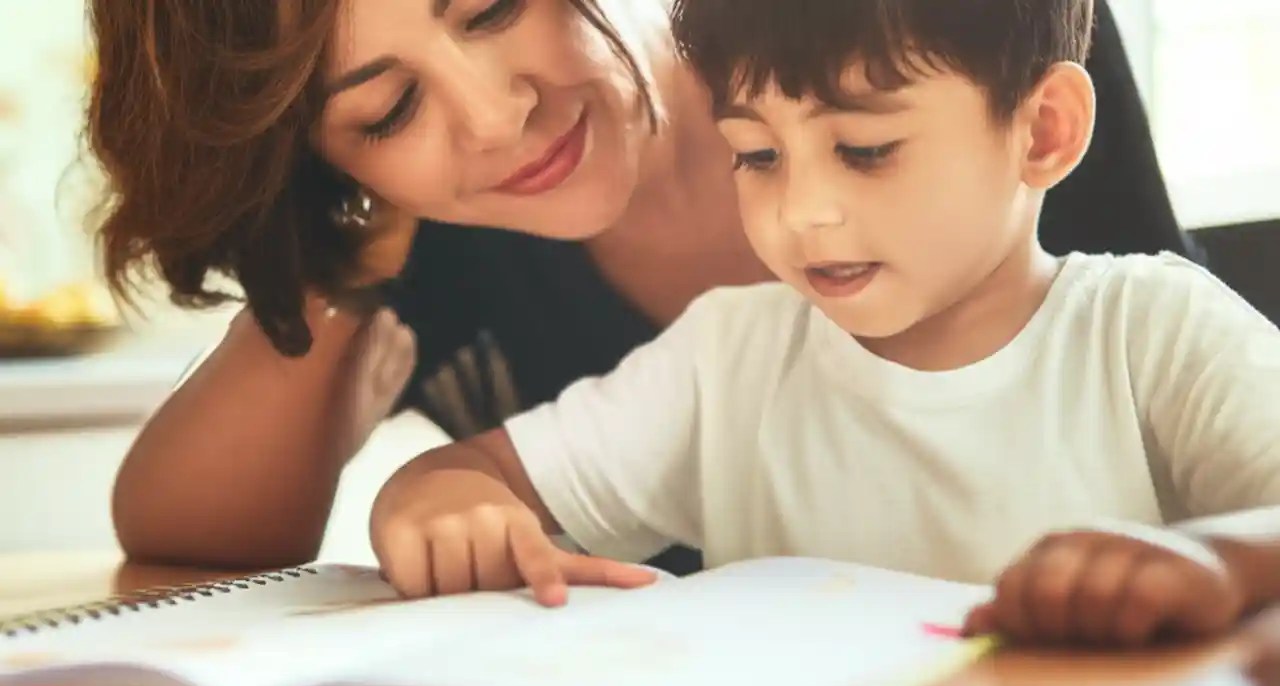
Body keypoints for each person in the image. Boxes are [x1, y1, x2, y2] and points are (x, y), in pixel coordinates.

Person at [86, 0, 1191, 574]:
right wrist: (335, 242)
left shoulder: (922, 46)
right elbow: (186, 532)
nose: (494, 114)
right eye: (385, 112)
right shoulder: (433, 237)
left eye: (493, 7)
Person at [368, 0, 1280, 649]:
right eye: (757, 155)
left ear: (1042, 130)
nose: (801, 212)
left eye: (864, 149)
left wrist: (1220, 563)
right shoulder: (725, 361)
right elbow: (467, 472)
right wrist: (442, 505)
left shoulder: (1151, 331)